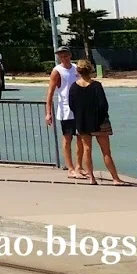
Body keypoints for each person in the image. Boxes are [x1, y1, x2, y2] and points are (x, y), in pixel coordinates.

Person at [69, 60, 123, 185]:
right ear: (91, 70)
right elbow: (103, 105)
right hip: (99, 122)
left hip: (82, 122)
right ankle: (115, 178)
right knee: (106, 151)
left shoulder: (74, 87)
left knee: (87, 150)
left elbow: (72, 105)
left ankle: (91, 177)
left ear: (78, 71)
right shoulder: (96, 86)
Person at [44, 45, 80, 177]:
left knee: (81, 138)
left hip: (79, 108)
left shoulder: (77, 68)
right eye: (61, 56)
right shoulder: (57, 71)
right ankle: (70, 168)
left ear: (70, 55)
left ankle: (79, 166)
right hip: (66, 110)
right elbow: (50, 92)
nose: (64, 58)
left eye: (66, 55)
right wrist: (48, 113)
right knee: (67, 138)